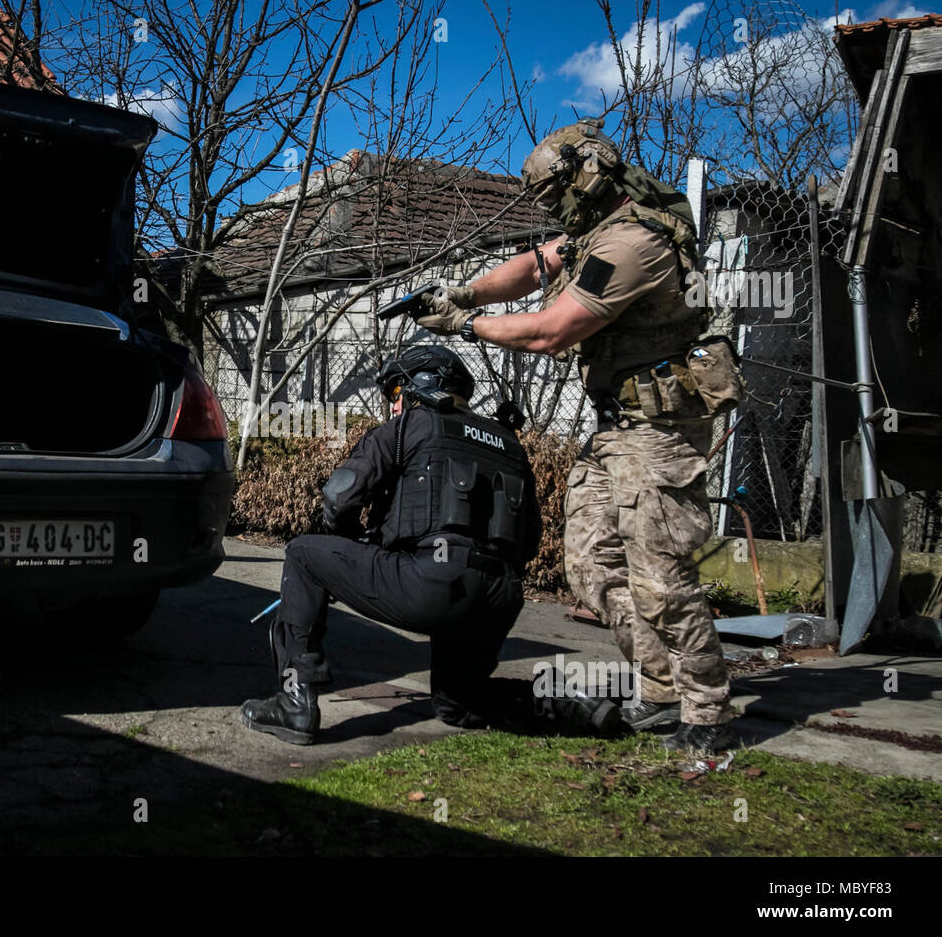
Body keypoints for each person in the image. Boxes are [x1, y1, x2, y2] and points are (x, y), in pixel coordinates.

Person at [413, 119, 736, 755]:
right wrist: (466, 289)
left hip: (662, 431)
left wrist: (468, 323)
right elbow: (534, 267)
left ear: (585, 176)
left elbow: (552, 331)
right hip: (617, 425)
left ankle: (709, 711)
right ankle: (662, 686)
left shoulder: (633, 245)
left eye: (552, 190)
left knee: (661, 577)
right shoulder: (593, 235)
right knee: (590, 563)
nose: (548, 205)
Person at [239, 345, 619, 745]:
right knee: (458, 704)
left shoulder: (413, 425)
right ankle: (568, 702)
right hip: (499, 599)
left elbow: (339, 495)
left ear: (416, 388)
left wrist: (347, 545)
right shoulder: (509, 443)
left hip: (430, 586)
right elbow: (532, 541)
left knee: (303, 554)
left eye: (394, 394)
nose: (392, 406)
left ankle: (294, 702)